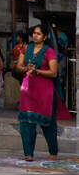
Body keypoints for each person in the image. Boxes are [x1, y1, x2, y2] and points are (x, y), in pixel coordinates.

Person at [16, 23, 71, 160]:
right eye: (34, 33)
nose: (35, 35)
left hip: (45, 91)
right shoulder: (26, 48)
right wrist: (25, 69)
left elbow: (53, 73)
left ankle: (53, 151)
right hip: (28, 90)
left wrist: (37, 71)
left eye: (38, 33)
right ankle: (28, 153)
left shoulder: (49, 51)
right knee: (26, 122)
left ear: (45, 37)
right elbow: (18, 67)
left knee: (48, 122)